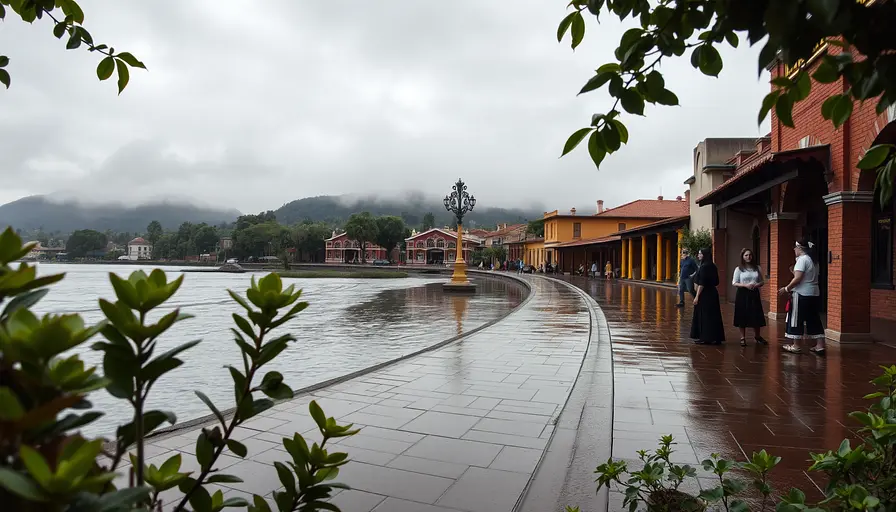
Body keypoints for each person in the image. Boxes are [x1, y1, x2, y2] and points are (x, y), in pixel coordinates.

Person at [778, 238, 825, 355]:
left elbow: (798, 279)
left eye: (795, 247)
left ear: (799, 248)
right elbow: (807, 277)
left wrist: (786, 288)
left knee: (796, 318)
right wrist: (794, 273)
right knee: (813, 318)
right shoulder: (814, 261)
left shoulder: (802, 260)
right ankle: (820, 345)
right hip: (813, 293)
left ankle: (796, 345)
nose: (794, 249)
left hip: (801, 293)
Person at [732, 248, 767, 347]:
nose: (748, 257)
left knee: (756, 314)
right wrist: (745, 285)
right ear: (742, 257)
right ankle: (742, 337)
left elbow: (762, 281)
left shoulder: (757, 268)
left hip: (754, 293)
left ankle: (757, 336)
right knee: (742, 314)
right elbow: (734, 282)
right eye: (746, 255)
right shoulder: (739, 269)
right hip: (742, 293)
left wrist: (756, 285)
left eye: (750, 255)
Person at [690, 247, 725, 345]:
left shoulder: (705, 266)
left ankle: (705, 337)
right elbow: (716, 281)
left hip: (705, 294)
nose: (698, 255)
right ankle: (716, 337)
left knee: (705, 316)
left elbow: (702, 283)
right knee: (713, 315)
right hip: (713, 293)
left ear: (704, 255)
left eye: (700, 254)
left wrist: (697, 296)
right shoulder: (713, 265)